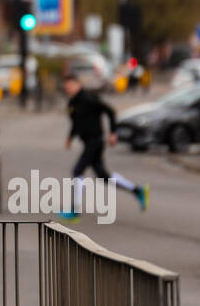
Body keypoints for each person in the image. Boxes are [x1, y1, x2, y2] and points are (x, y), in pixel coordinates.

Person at [63, 72, 148, 215]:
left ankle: (74, 210)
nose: (68, 89)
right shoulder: (73, 102)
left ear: (77, 84)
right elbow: (76, 123)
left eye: (70, 85)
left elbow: (110, 111)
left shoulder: (89, 98)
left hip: (95, 141)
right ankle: (137, 190)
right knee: (103, 176)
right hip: (88, 142)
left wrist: (113, 132)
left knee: (77, 171)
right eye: (66, 87)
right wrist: (70, 137)